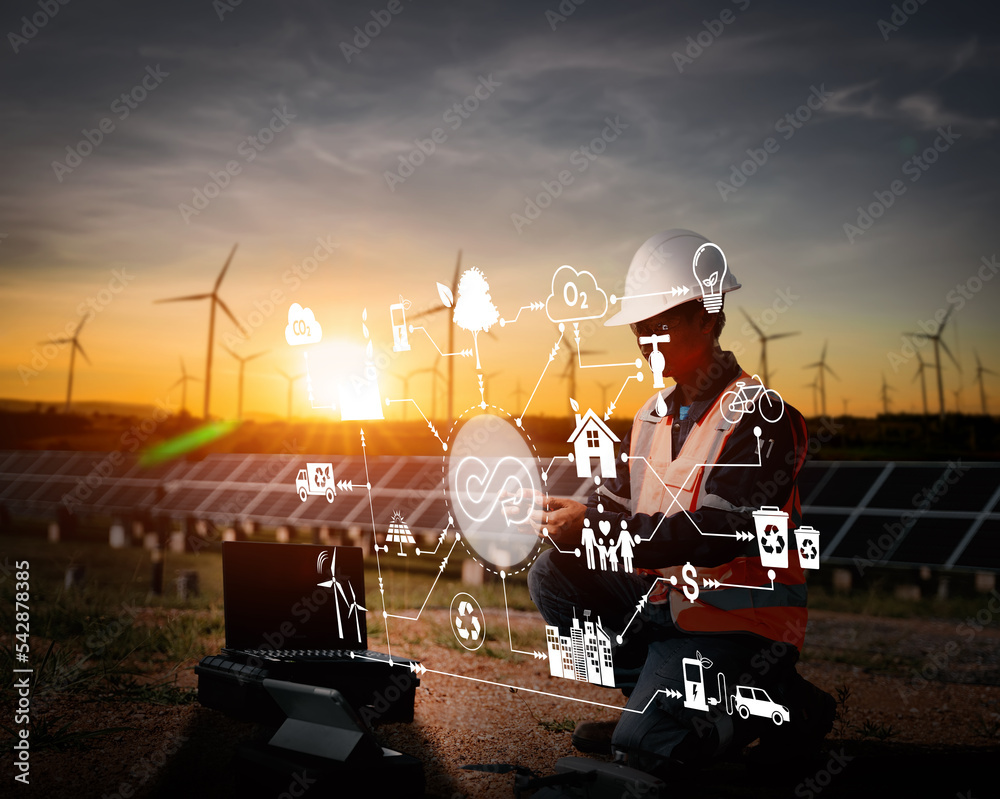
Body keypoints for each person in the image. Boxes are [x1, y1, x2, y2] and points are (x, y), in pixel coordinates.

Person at [527, 229, 834, 775]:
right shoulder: (650, 416)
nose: (647, 341)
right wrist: (565, 518)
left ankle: (778, 705)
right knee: (553, 574)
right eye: (640, 329)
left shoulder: (762, 419)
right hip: (671, 611)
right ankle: (649, 700)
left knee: (644, 749)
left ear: (709, 318)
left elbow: (720, 533)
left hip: (739, 626)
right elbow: (618, 509)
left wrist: (595, 524)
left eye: (660, 325)